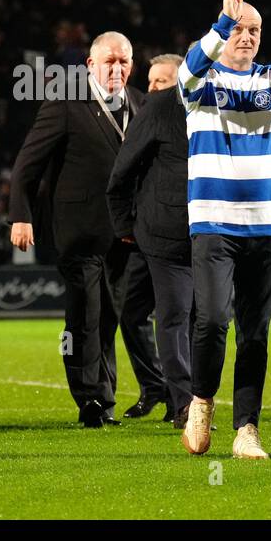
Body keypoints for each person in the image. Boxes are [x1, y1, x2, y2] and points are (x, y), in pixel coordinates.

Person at [179, 0, 271, 459]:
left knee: (255, 332)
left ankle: (247, 429)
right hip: (214, 223)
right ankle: (201, 401)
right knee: (214, 319)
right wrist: (223, 18)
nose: (246, 36)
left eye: (255, 30)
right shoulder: (201, 83)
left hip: (264, 224)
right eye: (239, 28)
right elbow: (189, 72)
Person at [9, 31, 166, 427]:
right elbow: (28, 164)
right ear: (90, 65)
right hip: (77, 230)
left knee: (109, 316)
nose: (117, 68)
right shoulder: (65, 104)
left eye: (124, 61)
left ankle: (104, 399)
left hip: (124, 233)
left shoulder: (141, 104)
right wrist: (21, 216)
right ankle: (90, 400)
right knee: (85, 313)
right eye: (109, 61)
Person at [106, 53, 199, 428]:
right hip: (149, 234)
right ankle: (158, 387)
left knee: (181, 315)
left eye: (163, 81)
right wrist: (125, 225)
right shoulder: (155, 112)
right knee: (134, 313)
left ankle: (184, 401)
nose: (153, 88)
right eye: (151, 82)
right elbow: (122, 173)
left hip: (180, 232)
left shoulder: (195, 112)